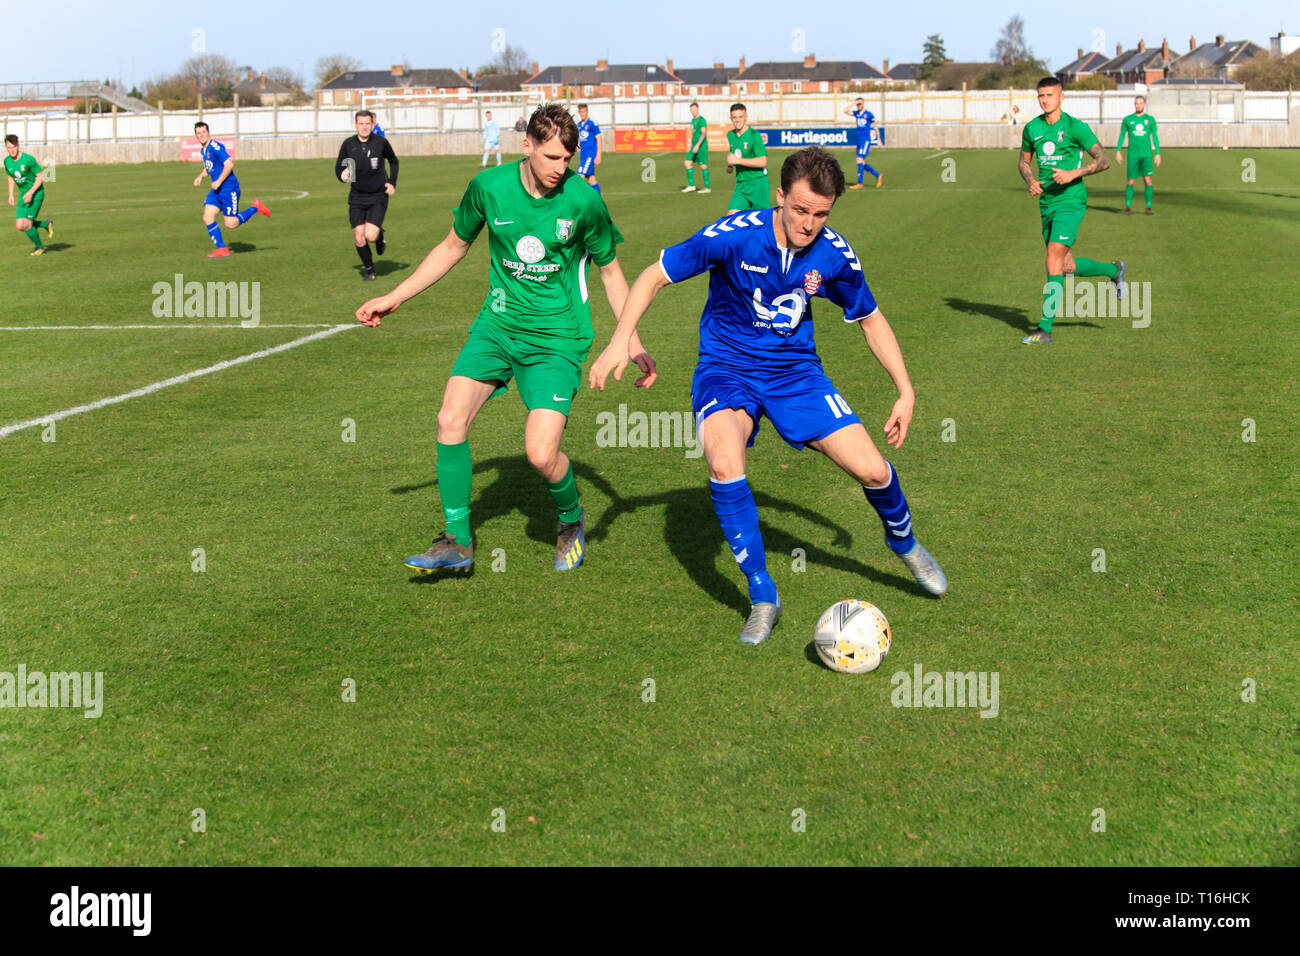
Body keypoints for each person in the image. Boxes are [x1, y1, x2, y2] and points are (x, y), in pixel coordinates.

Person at [590, 146, 947, 645]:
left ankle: (904, 543)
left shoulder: (834, 253)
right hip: (727, 368)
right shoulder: (734, 235)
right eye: (800, 210)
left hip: (796, 374)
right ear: (779, 196)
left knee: (872, 468)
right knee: (723, 462)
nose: (808, 224)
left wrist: (905, 390)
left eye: (821, 214)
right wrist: (619, 342)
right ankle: (763, 596)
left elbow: (870, 318)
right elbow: (653, 275)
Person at [355, 103, 656, 574]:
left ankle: (570, 516)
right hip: (496, 327)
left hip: (556, 338)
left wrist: (631, 341)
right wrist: (397, 295)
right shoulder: (488, 188)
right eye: (552, 157)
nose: (561, 169)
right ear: (528, 145)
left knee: (540, 454)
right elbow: (453, 246)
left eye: (568, 159)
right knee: (449, 418)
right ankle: (457, 540)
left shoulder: (584, 202)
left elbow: (612, 273)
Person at [1017, 77, 1124, 344]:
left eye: (1050, 95)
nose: (1044, 100)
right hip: (1047, 203)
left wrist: (1074, 173)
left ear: (1061, 97)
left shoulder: (1076, 127)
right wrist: (1030, 180)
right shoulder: (1032, 128)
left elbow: (1104, 160)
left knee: (1053, 257)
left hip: (1071, 200)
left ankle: (1044, 328)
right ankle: (1114, 271)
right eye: (1040, 96)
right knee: (1066, 266)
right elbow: (1023, 161)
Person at [336, 110, 399, 281]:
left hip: (378, 196)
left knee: (370, 236)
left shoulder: (380, 142)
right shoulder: (348, 144)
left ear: (372, 124)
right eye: (361, 124)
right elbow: (339, 167)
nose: (364, 127)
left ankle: (379, 235)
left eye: (367, 124)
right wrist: (344, 175)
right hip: (357, 196)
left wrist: (392, 182)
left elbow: (394, 161)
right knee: (359, 237)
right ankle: (370, 271)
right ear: (355, 125)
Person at [192, 121, 269, 258]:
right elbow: (210, 166)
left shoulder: (215, 147)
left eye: (203, 132)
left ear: (208, 133)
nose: (201, 135)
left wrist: (218, 181)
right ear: (196, 136)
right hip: (217, 190)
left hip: (228, 188)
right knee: (207, 216)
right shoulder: (204, 150)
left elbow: (229, 164)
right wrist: (201, 176)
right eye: (198, 133)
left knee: (231, 224)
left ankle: (255, 207)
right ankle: (222, 248)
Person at [4, 135, 53, 256]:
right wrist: (11, 194)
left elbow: (41, 177)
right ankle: (45, 224)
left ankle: (39, 247)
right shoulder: (7, 161)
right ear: (6, 147)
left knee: (27, 224)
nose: (11, 150)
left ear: (18, 146)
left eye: (13, 147)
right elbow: (10, 176)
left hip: (36, 194)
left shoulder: (28, 159)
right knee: (19, 225)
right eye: (9, 147)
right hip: (23, 195)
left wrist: (31, 193)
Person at [1116, 96, 1161, 215]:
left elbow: (1155, 136)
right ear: (1134, 105)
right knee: (1131, 181)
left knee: (1148, 180)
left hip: (1146, 155)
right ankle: (1128, 206)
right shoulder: (1128, 119)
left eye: (1140, 103)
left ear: (1144, 104)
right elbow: (1122, 135)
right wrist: (1118, 151)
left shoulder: (1150, 119)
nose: (1138, 105)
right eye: (1136, 103)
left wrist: (1158, 153)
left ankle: (1148, 206)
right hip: (1133, 155)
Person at [724, 103, 768, 213]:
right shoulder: (730, 135)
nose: (737, 120)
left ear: (746, 117)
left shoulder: (754, 135)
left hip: (757, 183)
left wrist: (738, 161)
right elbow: (734, 155)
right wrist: (730, 166)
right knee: (731, 217)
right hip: (741, 185)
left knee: (760, 222)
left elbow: (763, 161)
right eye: (734, 117)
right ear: (731, 118)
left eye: (740, 117)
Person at [844, 98, 882, 189]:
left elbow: (875, 126)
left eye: (860, 104)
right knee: (861, 162)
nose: (859, 106)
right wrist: (853, 103)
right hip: (859, 140)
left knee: (859, 160)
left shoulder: (868, 114)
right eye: (858, 104)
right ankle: (878, 175)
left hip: (865, 140)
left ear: (864, 104)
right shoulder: (856, 113)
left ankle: (860, 183)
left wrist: (879, 139)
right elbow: (845, 111)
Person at [681, 102, 710, 194]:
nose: (692, 111)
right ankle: (692, 186)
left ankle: (707, 187)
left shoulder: (702, 120)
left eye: (694, 109)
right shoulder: (693, 120)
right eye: (691, 110)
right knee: (687, 162)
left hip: (701, 146)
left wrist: (697, 145)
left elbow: (703, 133)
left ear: (698, 109)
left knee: (703, 165)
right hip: (694, 146)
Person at [576, 104, 602, 195]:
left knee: (579, 177)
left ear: (587, 111)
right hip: (583, 155)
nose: (583, 113)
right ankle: (599, 200)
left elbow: (599, 138)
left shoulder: (592, 124)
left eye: (584, 111)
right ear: (579, 112)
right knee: (591, 180)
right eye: (581, 112)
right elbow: (580, 139)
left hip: (590, 155)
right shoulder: (579, 125)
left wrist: (598, 155)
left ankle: (579, 200)